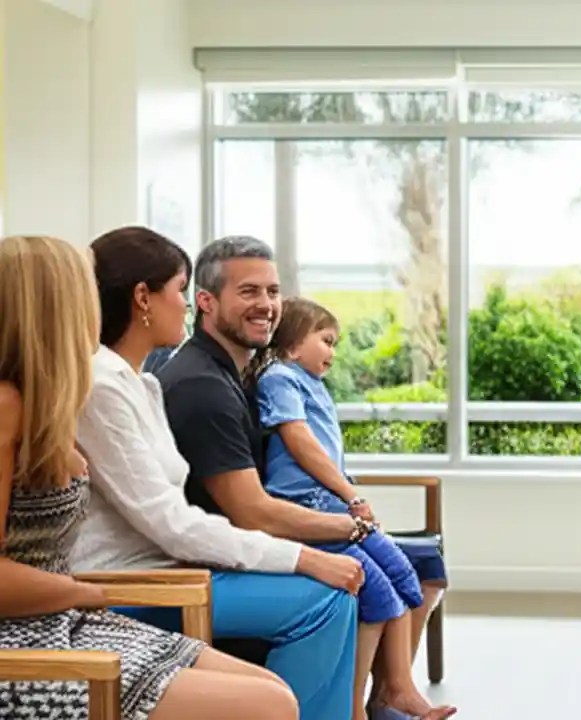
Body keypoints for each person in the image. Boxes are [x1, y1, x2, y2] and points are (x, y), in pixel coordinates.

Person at [70, 226, 367, 720]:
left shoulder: (141, 384)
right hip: (129, 584)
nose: (187, 306)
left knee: (336, 593)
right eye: (180, 292)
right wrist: (302, 558)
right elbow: (171, 522)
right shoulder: (103, 387)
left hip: (169, 568)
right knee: (324, 601)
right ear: (143, 298)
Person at [0, 234, 297, 720]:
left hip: (66, 619)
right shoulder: (7, 407)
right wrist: (85, 592)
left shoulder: (47, 403)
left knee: (271, 688)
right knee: (270, 705)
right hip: (29, 637)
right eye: (85, 295)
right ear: (58, 307)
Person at [154, 235, 447, 719]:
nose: (266, 305)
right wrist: (351, 525)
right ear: (204, 302)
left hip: (244, 539)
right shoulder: (202, 386)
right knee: (346, 587)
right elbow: (251, 511)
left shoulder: (238, 373)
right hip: (215, 558)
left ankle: (384, 696)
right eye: (248, 292)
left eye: (273, 292)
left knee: (411, 567)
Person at [251, 296, 456, 720]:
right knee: (379, 592)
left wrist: (350, 497)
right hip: (306, 507)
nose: (333, 351)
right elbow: (301, 444)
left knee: (405, 578)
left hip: (335, 505)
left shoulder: (314, 385)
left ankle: (397, 689)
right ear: (292, 344)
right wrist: (352, 496)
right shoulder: (280, 378)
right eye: (326, 340)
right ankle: (353, 708)